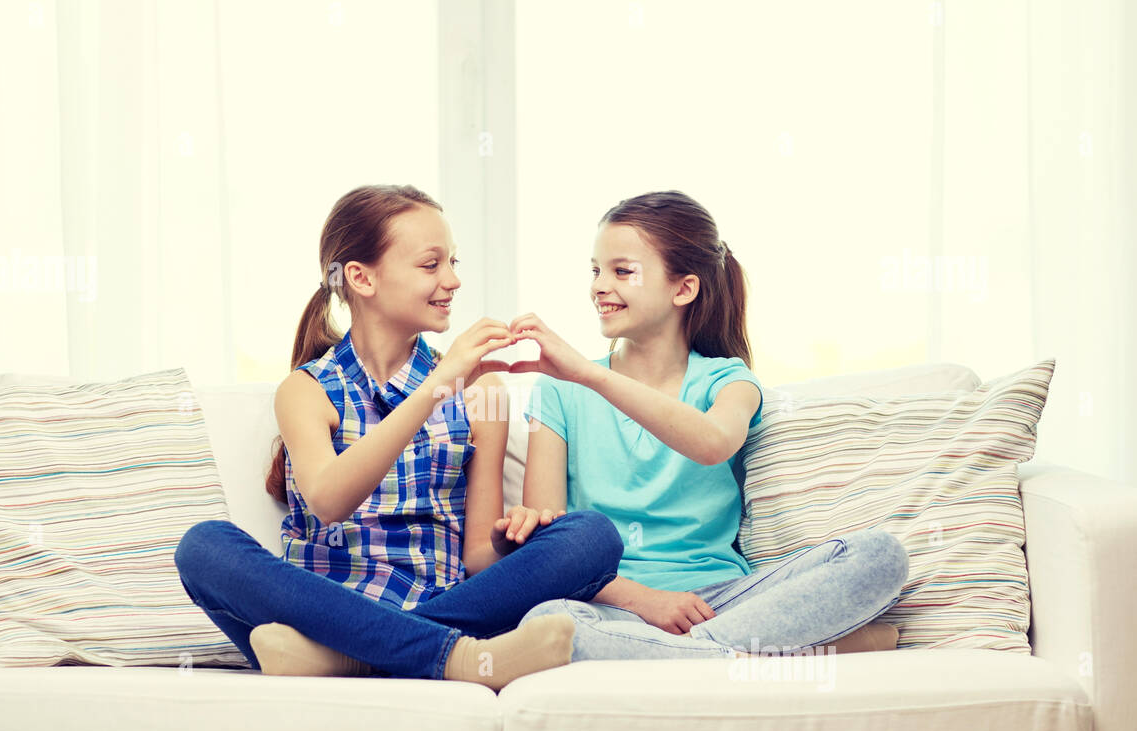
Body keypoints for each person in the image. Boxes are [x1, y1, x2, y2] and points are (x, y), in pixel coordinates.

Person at [173, 184, 623, 690]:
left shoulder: (483, 394)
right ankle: (456, 657)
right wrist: (436, 387)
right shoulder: (306, 390)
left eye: (453, 262)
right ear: (362, 278)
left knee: (592, 538)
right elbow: (327, 501)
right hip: (321, 606)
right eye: (431, 265)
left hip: (438, 603)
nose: (452, 280)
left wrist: (510, 538)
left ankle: (350, 658)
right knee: (203, 547)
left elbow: (478, 556)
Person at [513, 190, 908, 660]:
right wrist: (646, 601)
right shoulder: (558, 392)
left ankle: (685, 654)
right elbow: (550, 548)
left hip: (723, 600)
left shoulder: (729, 380)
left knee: (879, 556)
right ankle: (742, 655)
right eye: (595, 270)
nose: (599, 285)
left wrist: (589, 373)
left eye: (622, 271)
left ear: (683, 289)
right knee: (547, 623)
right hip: (611, 602)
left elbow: (713, 442)